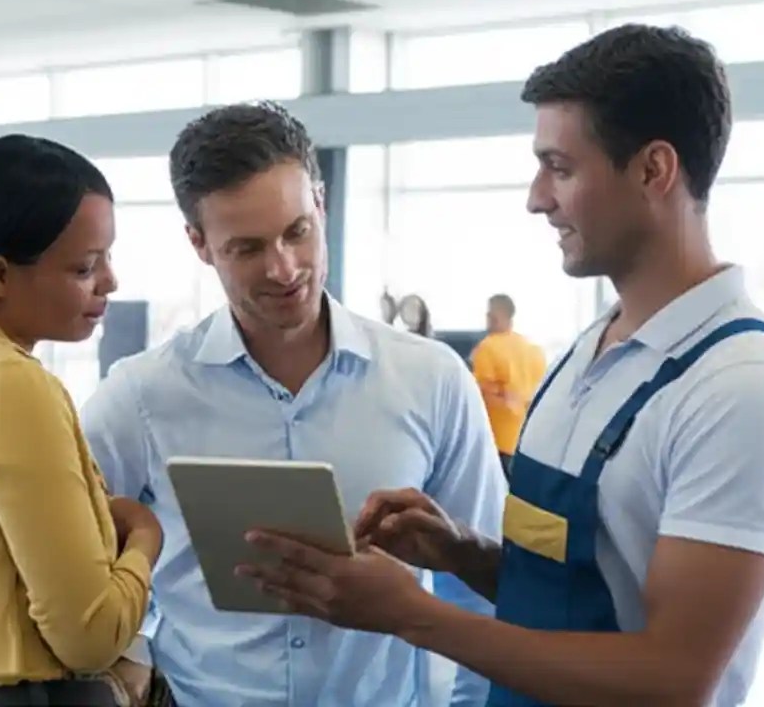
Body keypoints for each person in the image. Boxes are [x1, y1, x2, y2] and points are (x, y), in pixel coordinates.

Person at [240, 24, 764, 707]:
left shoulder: (745, 387)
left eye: (561, 167)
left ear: (653, 170)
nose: (536, 197)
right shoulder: (590, 350)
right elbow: (580, 588)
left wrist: (413, 614)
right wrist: (461, 552)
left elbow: (673, 678)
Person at [79, 101, 507, 707]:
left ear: (321, 206)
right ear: (199, 244)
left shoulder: (432, 379)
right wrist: (127, 657)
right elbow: (72, 569)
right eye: (247, 248)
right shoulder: (141, 396)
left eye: (297, 232)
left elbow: (480, 582)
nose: (283, 269)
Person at [0, 134, 170, 707]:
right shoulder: (11, 385)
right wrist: (144, 538)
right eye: (85, 266)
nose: (109, 282)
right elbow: (89, 636)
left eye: (108, 259)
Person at [468, 294, 547, 476]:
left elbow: (478, 394)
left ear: (493, 316)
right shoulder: (533, 349)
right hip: (523, 443)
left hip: (495, 441)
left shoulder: (488, 347)